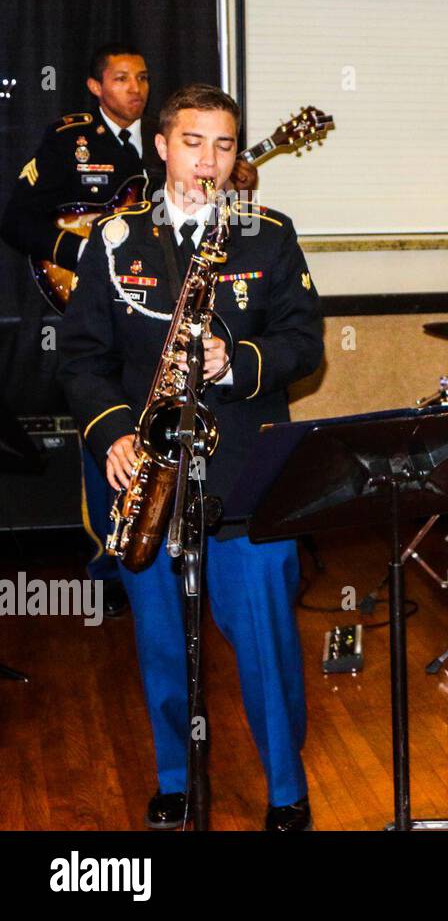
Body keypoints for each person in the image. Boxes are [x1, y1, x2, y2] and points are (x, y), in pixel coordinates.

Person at [58, 83, 323, 830]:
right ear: (163, 146)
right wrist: (113, 431)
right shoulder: (114, 239)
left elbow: (305, 342)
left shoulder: (268, 234)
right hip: (146, 473)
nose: (210, 159)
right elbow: (81, 358)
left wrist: (233, 359)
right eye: (195, 141)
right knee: (161, 641)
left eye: (226, 144)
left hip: (243, 473)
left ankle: (285, 789)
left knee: (267, 641)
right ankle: (175, 775)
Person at [2, 44, 258, 616]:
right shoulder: (70, 140)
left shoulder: (161, 165)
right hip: (94, 306)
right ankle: (114, 568)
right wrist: (80, 251)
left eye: (144, 77)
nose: (135, 88)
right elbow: (19, 218)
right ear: (95, 87)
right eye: (122, 78)